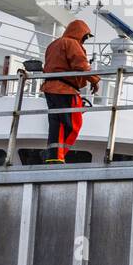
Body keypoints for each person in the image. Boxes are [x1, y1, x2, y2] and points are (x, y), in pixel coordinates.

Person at [42, 19, 100, 164]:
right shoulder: (72, 43)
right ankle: (58, 155)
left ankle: (53, 155)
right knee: (73, 123)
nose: (84, 40)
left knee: (56, 124)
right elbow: (81, 65)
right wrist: (94, 80)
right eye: (85, 37)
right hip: (65, 90)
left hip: (49, 89)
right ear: (80, 33)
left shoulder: (53, 45)